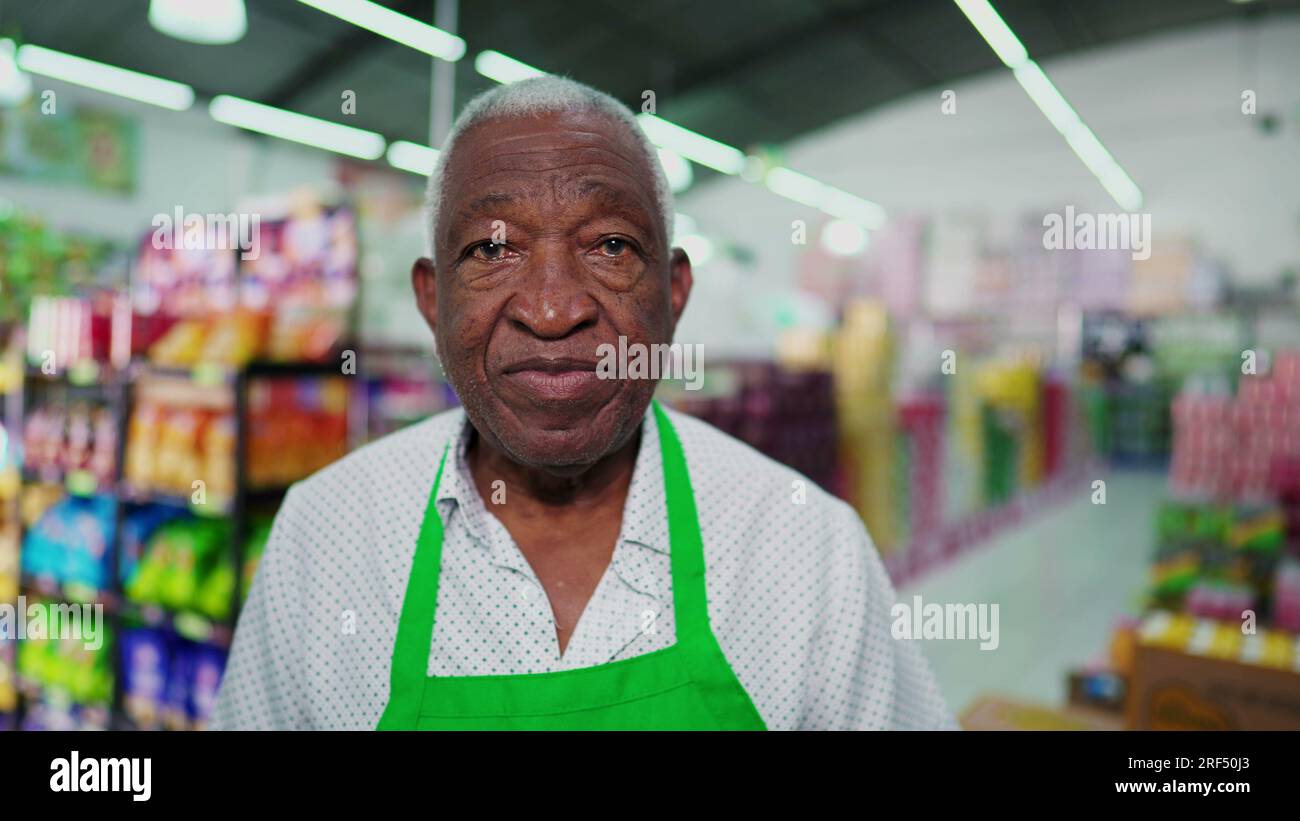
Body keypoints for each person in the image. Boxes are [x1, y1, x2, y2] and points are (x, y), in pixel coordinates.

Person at [210, 76, 955, 730]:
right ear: (432, 303)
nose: (553, 306)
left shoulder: (805, 552)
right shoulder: (326, 537)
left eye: (610, 245)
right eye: (492, 249)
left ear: (673, 293)